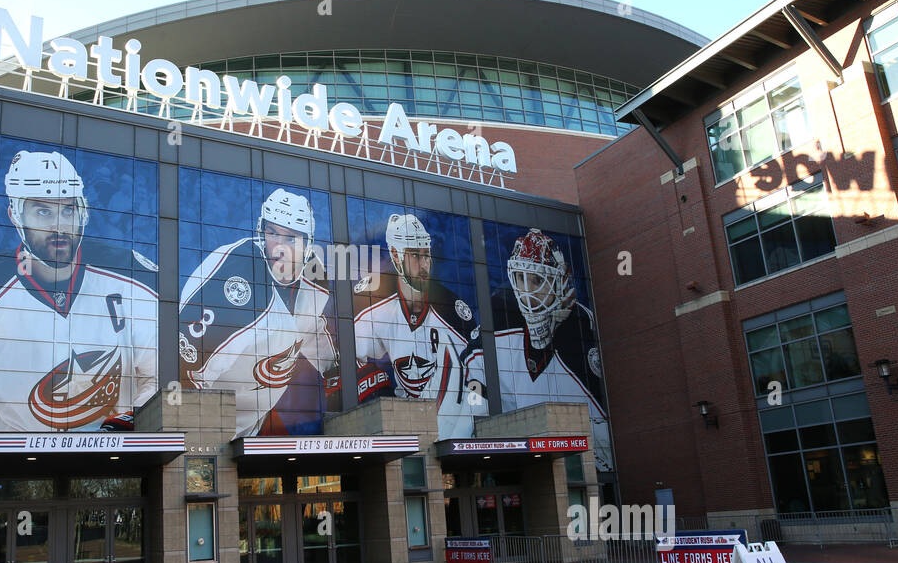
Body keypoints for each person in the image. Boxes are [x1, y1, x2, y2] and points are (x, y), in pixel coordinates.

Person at [0, 149, 158, 431]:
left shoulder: (130, 274)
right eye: (42, 211)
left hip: (118, 463)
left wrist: (130, 424)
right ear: (15, 215)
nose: (59, 225)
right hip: (7, 467)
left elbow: (162, 376)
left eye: (68, 209)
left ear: (83, 211)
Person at [179, 187, 340, 437]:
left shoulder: (315, 278)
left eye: (291, 238)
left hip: (254, 419)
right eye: (272, 232)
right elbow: (186, 373)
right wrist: (202, 442)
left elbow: (309, 326)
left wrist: (332, 369)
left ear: (308, 244)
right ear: (260, 231)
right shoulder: (234, 278)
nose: (279, 246)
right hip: (217, 428)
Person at [353, 212, 487, 439]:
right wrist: (382, 400)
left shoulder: (453, 311)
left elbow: (478, 379)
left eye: (427, 255)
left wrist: (471, 417)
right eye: (416, 256)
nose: (425, 264)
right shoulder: (372, 299)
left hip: (449, 422)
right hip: (402, 422)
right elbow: (351, 358)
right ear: (395, 255)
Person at [493, 228, 614, 473]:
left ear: (559, 281)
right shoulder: (501, 324)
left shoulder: (582, 334)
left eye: (537, 280)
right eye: (520, 278)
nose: (527, 292)